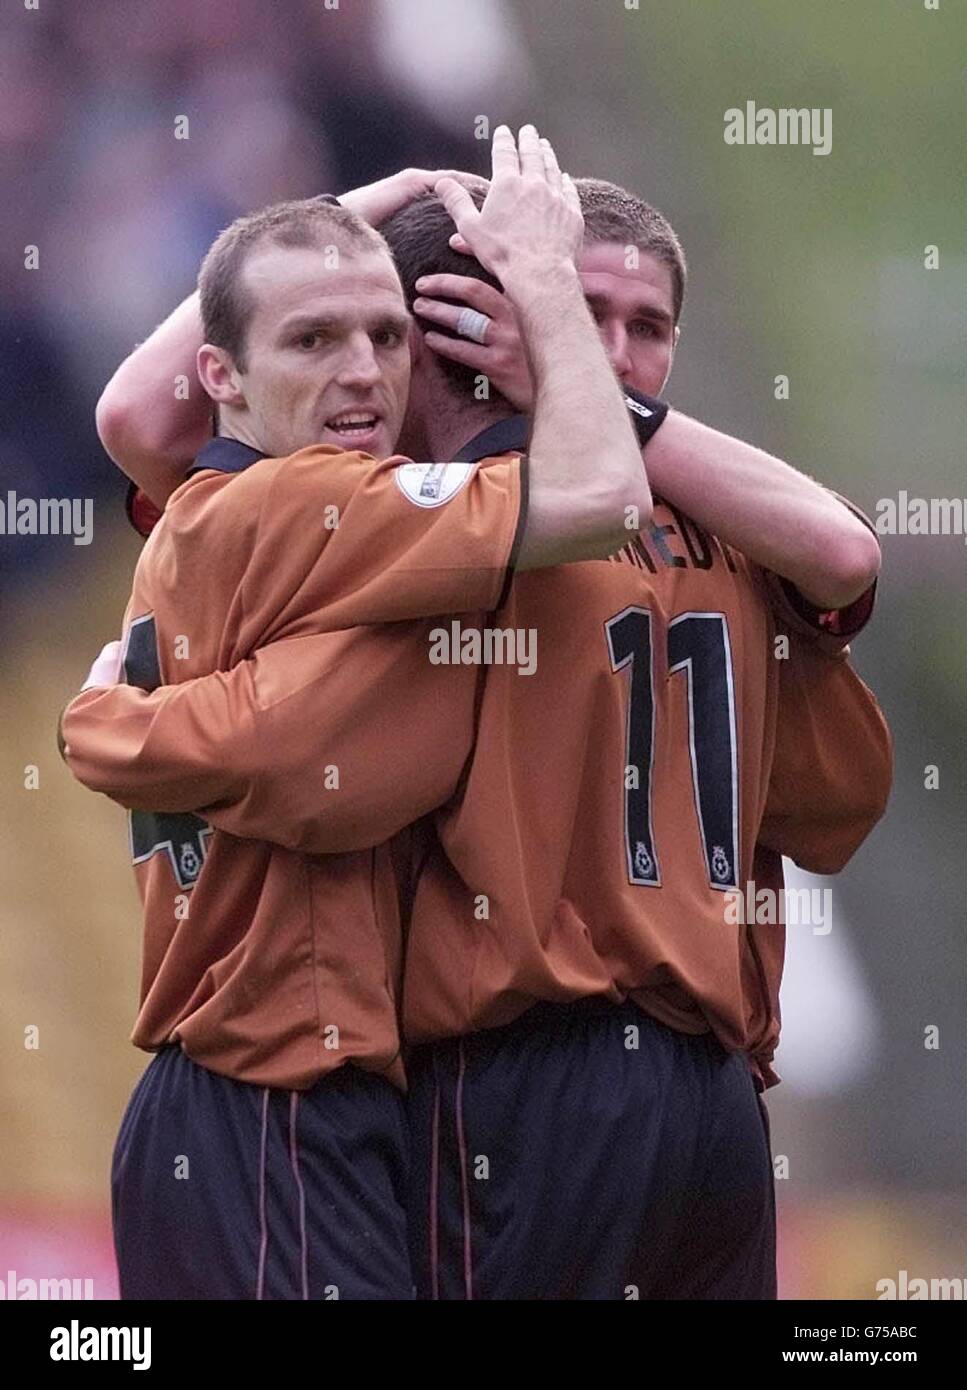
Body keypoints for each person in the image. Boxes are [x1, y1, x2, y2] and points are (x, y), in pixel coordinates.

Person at [66, 157, 891, 1299]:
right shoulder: (685, 539)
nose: (607, 351)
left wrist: (109, 728)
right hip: (632, 1098)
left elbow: (279, 731)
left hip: (536, 1086)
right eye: (581, 310)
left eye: (644, 324)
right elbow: (843, 651)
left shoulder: (447, 535)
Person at [60, 126, 653, 1301]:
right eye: (315, 339)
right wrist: (541, 285)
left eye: (386, 337)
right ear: (222, 376)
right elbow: (600, 495)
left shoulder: (213, 504)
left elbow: (132, 410)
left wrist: (368, 203)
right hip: (272, 1101)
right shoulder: (315, 505)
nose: (363, 372)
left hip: (239, 1107)